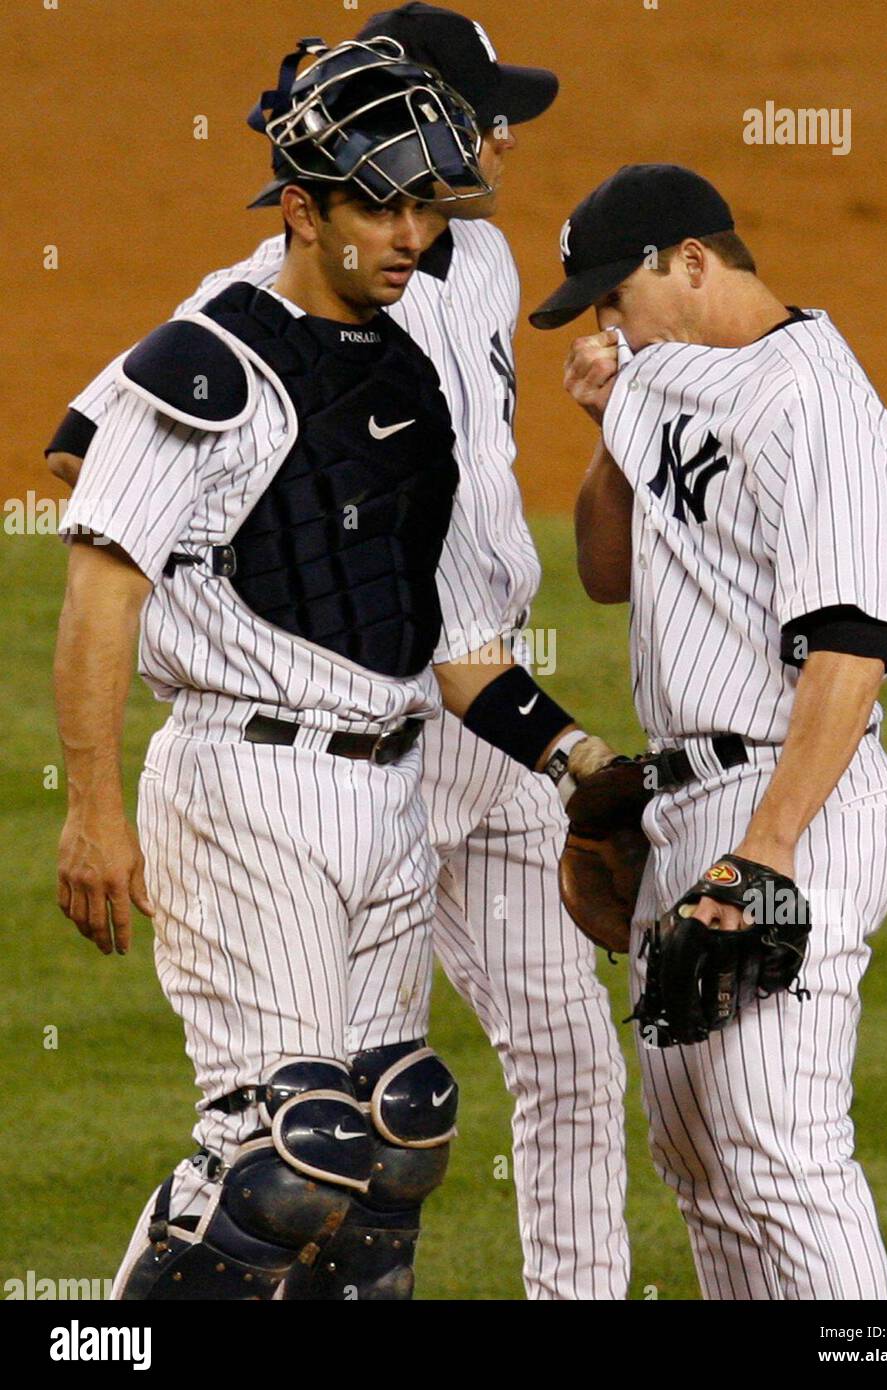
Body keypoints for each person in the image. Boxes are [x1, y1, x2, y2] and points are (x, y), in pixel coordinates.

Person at [49, 5, 630, 1302]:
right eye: (385, 204)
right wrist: (92, 805)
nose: (414, 231)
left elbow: (434, 613)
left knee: (396, 1139)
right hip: (261, 770)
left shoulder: (426, 323)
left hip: (424, 744)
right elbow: (102, 536)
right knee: (281, 1157)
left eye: (429, 199)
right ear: (312, 203)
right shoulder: (221, 339)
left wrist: (574, 757)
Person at [531, 163, 887, 1300]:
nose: (609, 323)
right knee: (701, 1158)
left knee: (778, 1151)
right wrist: (607, 426)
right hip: (682, 802)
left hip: (798, 797)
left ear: (690, 263)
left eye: (617, 297)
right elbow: (607, 570)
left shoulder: (818, 405)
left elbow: (848, 646)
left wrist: (770, 847)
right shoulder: (661, 375)